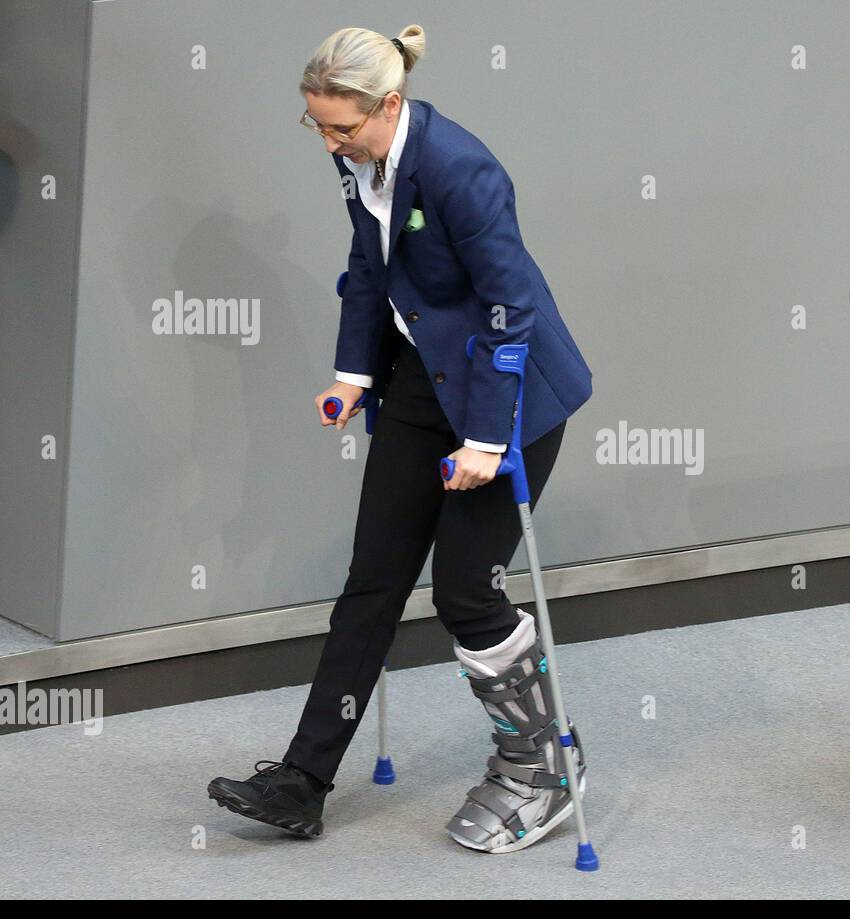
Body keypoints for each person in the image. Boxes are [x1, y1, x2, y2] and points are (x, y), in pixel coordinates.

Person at [208, 24, 593, 854]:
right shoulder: (362, 162)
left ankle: (544, 766)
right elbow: (368, 268)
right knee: (372, 581)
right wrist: (353, 375)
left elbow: (508, 310)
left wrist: (489, 439)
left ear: (389, 104)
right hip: (424, 383)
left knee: (464, 595)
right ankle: (302, 781)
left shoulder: (460, 169)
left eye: (341, 127)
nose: (328, 142)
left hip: (509, 394)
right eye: (316, 125)